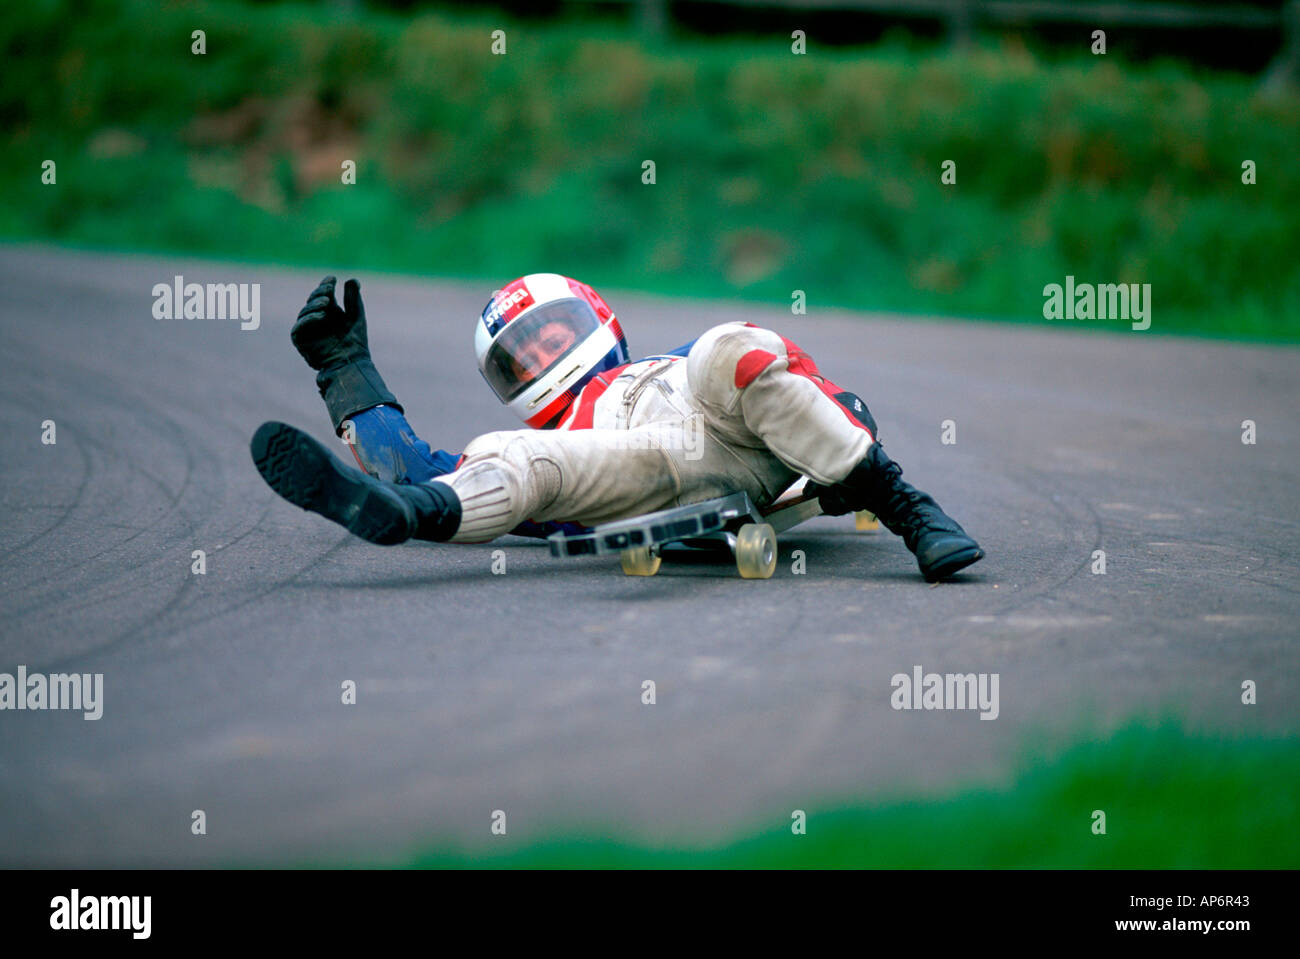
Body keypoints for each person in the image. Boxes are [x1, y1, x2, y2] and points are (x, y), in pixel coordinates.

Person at [251, 273, 984, 581]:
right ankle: (405, 521)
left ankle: (909, 509)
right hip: (632, 470)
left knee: (733, 342)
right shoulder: (557, 433)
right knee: (505, 454)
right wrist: (346, 371)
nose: (543, 357)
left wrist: (844, 429)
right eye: (521, 358)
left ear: (595, 317)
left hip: (733, 430)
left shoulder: (675, 360)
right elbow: (406, 459)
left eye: (549, 334)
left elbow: (824, 395)